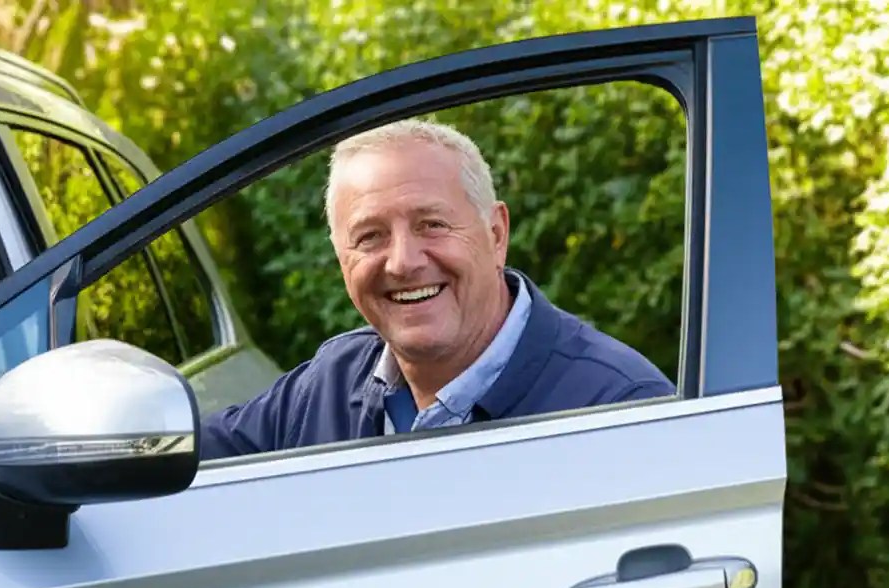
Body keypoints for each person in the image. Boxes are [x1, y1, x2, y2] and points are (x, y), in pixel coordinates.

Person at [199, 119, 674, 460]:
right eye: (370, 237)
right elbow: (171, 464)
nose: (403, 262)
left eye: (431, 224)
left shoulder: (619, 407)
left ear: (496, 235)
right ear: (340, 258)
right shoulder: (326, 387)